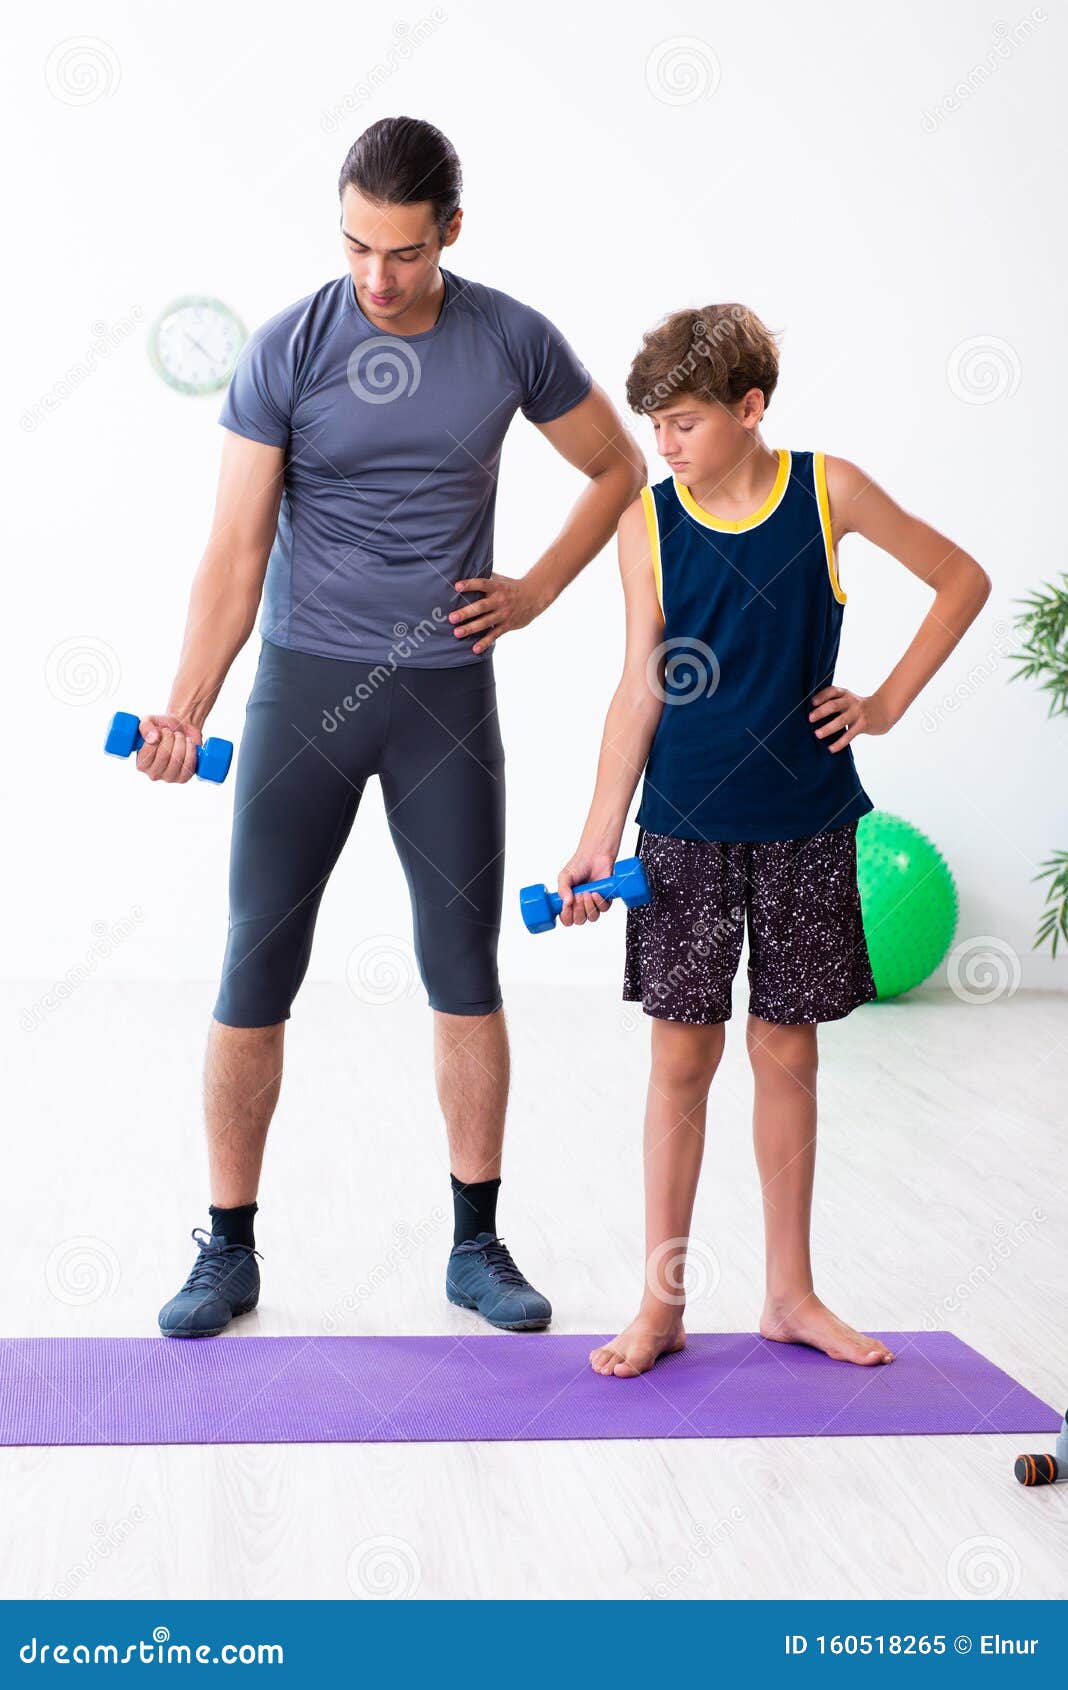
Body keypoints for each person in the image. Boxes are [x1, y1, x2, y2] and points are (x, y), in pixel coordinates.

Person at [146, 116, 645, 1338]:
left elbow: (619, 468)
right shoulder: (289, 349)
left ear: (451, 234)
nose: (379, 276)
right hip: (303, 693)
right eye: (360, 246)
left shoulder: (509, 338)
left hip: (443, 699)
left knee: (464, 973)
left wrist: (532, 591)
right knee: (255, 968)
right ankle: (228, 1249)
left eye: (405, 252)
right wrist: (187, 703)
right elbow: (234, 547)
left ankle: (476, 1246)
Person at [556, 302, 990, 1377]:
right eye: (656, 426)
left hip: (806, 826)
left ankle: (789, 1295)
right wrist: (595, 837)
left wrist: (883, 703)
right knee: (680, 1060)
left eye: (687, 424)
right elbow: (637, 689)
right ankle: (660, 1304)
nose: (666, 446)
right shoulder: (647, 524)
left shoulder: (827, 491)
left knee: (787, 1051)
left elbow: (961, 579)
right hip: (682, 836)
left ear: (752, 410)